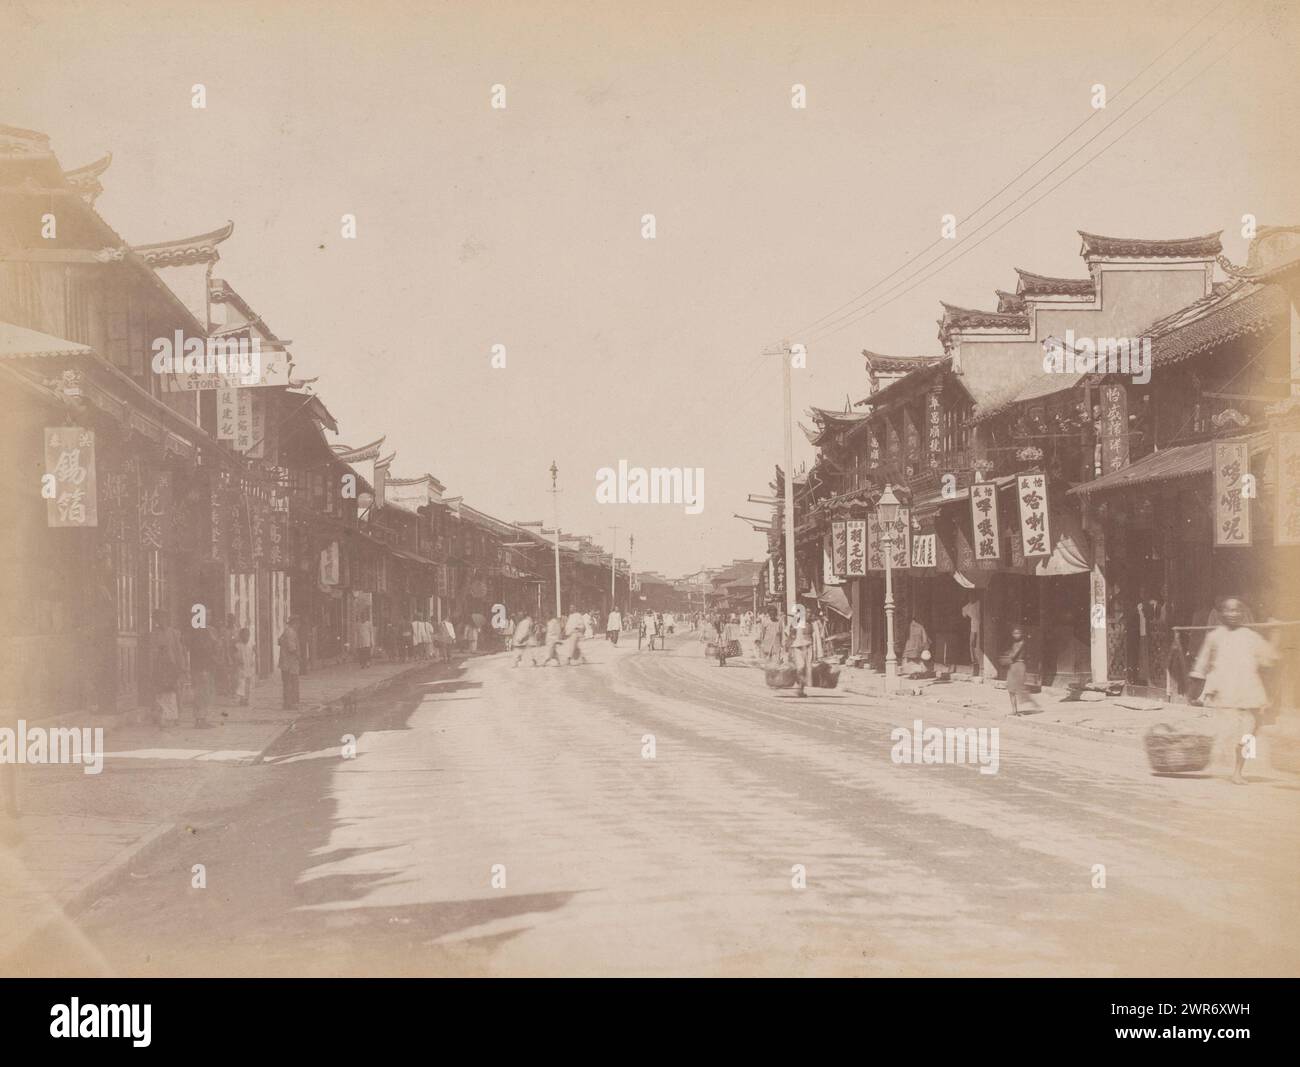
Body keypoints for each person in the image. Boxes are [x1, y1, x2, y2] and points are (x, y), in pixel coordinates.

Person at [1188, 597, 1279, 785]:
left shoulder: (1250, 635)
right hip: (1225, 689)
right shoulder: (1214, 636)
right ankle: (1234, 769)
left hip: (1249, 688)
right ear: (1221, 614)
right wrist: (1197, 689)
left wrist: (1276, 632)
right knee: (1233, 730)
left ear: (1243, 613)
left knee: (1252, 729)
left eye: (1237, 610)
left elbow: (1269, 657)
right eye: (1229, 610)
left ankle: (1241, 768)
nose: (1233, 614)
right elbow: (1202, 663)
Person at [150, 609, 185, 728]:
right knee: (160, 690)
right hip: (160, 665)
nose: (160, 621)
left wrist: (181, 666)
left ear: (166, 619)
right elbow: (152, 651)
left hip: (172, 665)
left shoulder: (174, 633)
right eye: (158, 619)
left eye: (162, 618)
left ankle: (176, 716)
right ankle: (160, 715)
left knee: (175, 690)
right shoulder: (154, 634)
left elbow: (179, 650)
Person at [187, 614, 219, 728]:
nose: (209, 618)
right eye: (206, 616)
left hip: (208, 666)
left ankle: (203, 718)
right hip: (201, 667)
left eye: (209, 615)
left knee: (206, 694)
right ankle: (199, 719)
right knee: (200, 694)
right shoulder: (198, 632)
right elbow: (201, 650)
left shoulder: (210, 630)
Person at [1001, 627, 1038, 716]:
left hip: (1019, 665)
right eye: (1014, 633)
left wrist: (1007, 656)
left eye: (1018, 633)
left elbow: (1013, 655)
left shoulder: (1022, 643)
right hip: (1013, 665)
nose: (1016, 635)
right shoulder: (1014, 644)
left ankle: (1030, 703)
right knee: (1011, 689)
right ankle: (1014, 710)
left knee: (1017, 688)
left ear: (1021, 634)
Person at [278, 616, 301, 710]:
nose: (299, 626)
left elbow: (279, 641)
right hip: (290, 663)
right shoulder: (291, 632)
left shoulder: (285, 631)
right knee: (292, 683)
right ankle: (291, 704)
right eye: (298, 623)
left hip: (285, 662)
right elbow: (292, 648)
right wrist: (299, 657)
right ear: (294, 623)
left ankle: (287, 703)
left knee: (286, 683)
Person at [234, 626, 257, 706]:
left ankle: (247, 698)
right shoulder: (238, 645)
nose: (246, 637)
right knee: (241, 683)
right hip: (241, 667)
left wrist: (255, 655)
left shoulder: (251, 644)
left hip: (249, 666)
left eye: (248, 635)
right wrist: (237, 661)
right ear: (241, 636)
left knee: (248, 683)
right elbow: (235, 655)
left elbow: (255, 652)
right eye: (244, 635)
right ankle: (242, 699)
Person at [962, 597, 981, 677]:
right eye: (969, 595)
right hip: (973, 628)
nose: (971, 596)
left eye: (973, 594)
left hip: (980, 628)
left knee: (978, 645)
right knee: (972, 645)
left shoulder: (979, 603)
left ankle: (979, 663)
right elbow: (964, 614)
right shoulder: (968, 605)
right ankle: (975, 662)